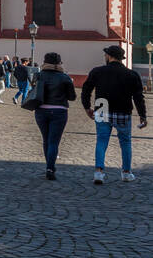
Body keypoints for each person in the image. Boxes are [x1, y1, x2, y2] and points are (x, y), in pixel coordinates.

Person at [82, 43, 148, 184]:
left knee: (101, 140)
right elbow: (138, 97)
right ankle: (126, 172)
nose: (105, 56)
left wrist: (87, 107)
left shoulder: (97, 71)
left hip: (102, 107)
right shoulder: (132, 74)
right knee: (125, 142)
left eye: (106, 54)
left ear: (110, 56)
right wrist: (142, 115)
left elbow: (86, 89)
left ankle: (99, 172)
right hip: (123, 109)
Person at [33, 52, 76, 180]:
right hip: (59, 111)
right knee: (54, 141)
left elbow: (34, 92)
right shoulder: (65, 77)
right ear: (59, 63)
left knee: (46, 140)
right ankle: (50, 168)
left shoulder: (39, 75)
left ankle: (49, 165)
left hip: (41, 111)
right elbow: (72, 97)